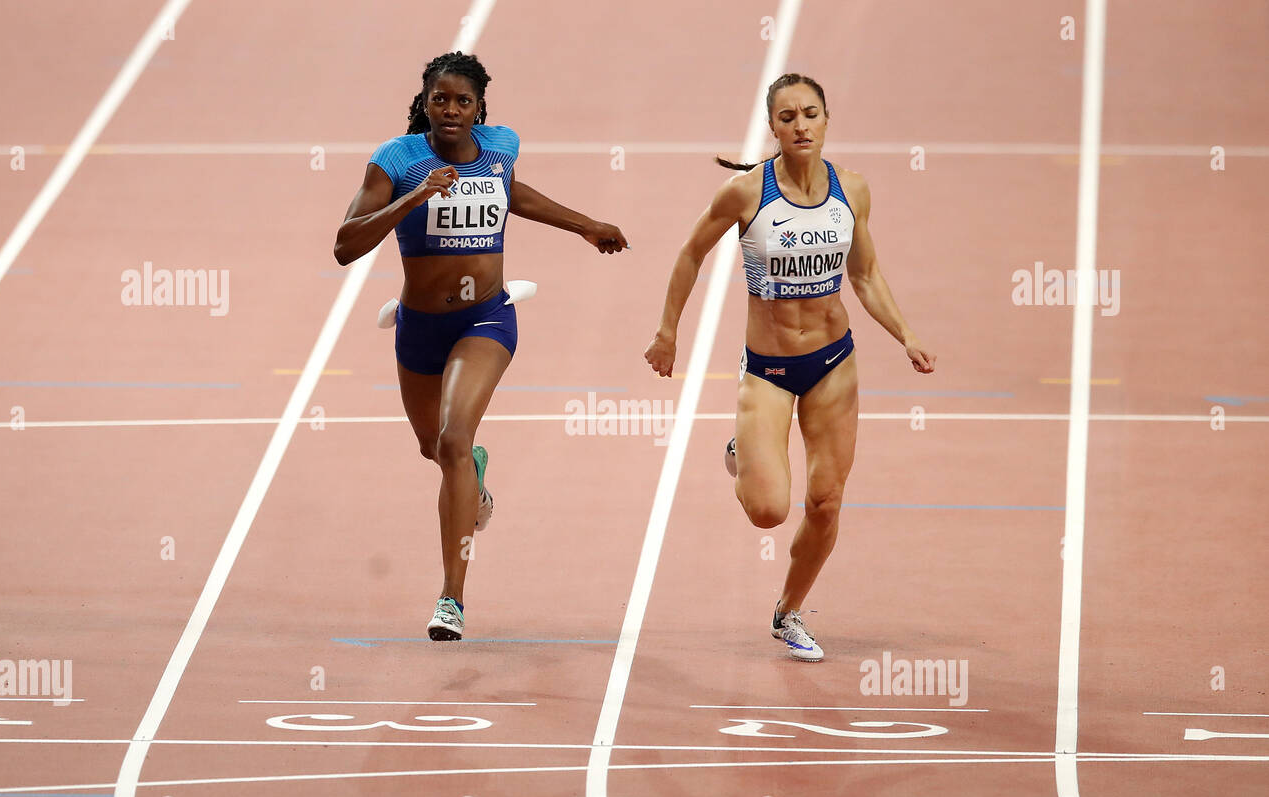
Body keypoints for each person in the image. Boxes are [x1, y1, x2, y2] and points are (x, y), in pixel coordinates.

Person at [334, 51, 627, 641]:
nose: (450, 109)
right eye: (439, 98)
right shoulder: (397, 161)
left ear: (478, 108)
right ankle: (476, 479)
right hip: (420, 327)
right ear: (425, 102)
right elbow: (344, 245)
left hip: (486, 320)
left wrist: (587, 224)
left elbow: (513, 195)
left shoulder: (500, 147)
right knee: (437, 452)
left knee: (452, 441)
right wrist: (413, 200)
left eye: (462, 101)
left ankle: (451, 600)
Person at [644, 73, 936, 661]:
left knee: (826, 501)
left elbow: (864, 275)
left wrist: (906, 335)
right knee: (768, 512)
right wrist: (667, 331)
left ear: (827, 120)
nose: (800, 126)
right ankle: (742, 450)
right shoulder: (746, 194)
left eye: (810, 114)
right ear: (772, 126)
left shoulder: (852, 190)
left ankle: (789, 611)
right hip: (769, 372)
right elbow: (690, 254)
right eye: (787, 117)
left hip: (834, 363)